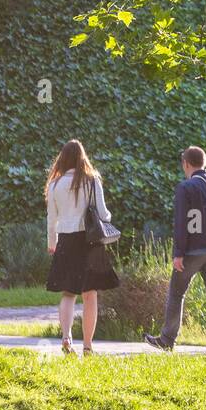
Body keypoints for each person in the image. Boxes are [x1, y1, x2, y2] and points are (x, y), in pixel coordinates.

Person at [144, 147, 206, 354]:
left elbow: (181, 222)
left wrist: (178, 253)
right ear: (204, 163)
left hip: (192, 251)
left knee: (177, 293)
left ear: (186, 164)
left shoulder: (185, 187)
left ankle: (167, 339)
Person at [46, 139, 119, 356]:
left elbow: (52, 218)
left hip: (66, 240)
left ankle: (66, 337)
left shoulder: (54, 184)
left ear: (63, 158)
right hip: (89, 242)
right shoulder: (92, 180)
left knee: (68, 293)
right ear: (82, 157)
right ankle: (88, 347)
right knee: (90, 295)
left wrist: (52, 243)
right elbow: (104, 214)